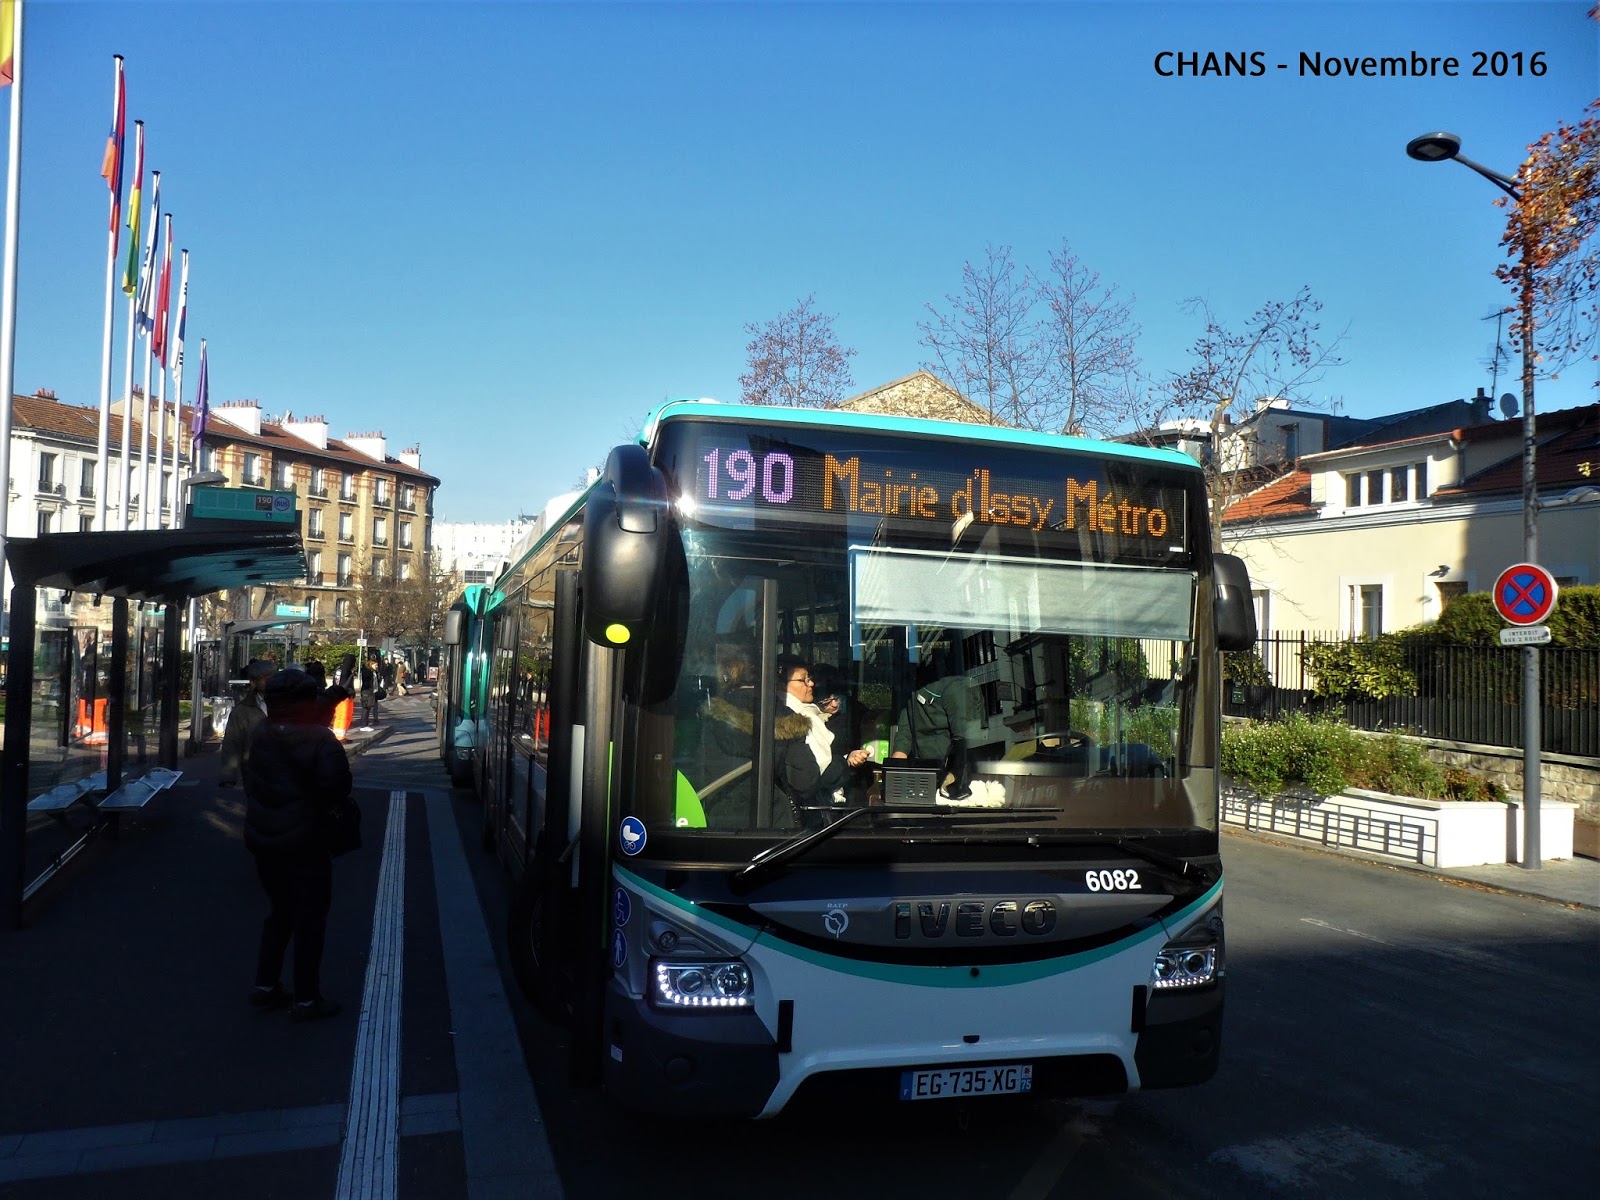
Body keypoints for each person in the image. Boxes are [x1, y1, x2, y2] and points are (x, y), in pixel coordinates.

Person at [242, 669, 353, 1022]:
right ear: (306, 699)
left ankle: (265, 985)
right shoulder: (320, 740)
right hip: (306, 841)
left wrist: (334, 694)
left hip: (264, 838)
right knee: (310, 920)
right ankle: (306, 999)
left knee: (280, 913)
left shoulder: (263, 733)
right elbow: (337, 788)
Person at [697, 645, 816, 829]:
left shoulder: (708, 717)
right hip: (774, 826)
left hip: (713, 821)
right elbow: (805, 781)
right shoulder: (786, 718)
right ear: (769, 675)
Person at [776, 656, 870, 814]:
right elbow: (821, 772)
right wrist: (845, 763)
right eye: (804, 680)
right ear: (781, 683)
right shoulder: (798, 717)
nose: (810, 683)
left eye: (810, 679)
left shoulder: (775, 710)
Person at [219, 660, 277, 786]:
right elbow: (232, 743)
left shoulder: (288, 704)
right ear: (253, 683)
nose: (270, 680)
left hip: (285, 771)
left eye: (273, 676)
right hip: (254, 771)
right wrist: (228, 776)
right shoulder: (242, 711)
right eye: (265, 678)